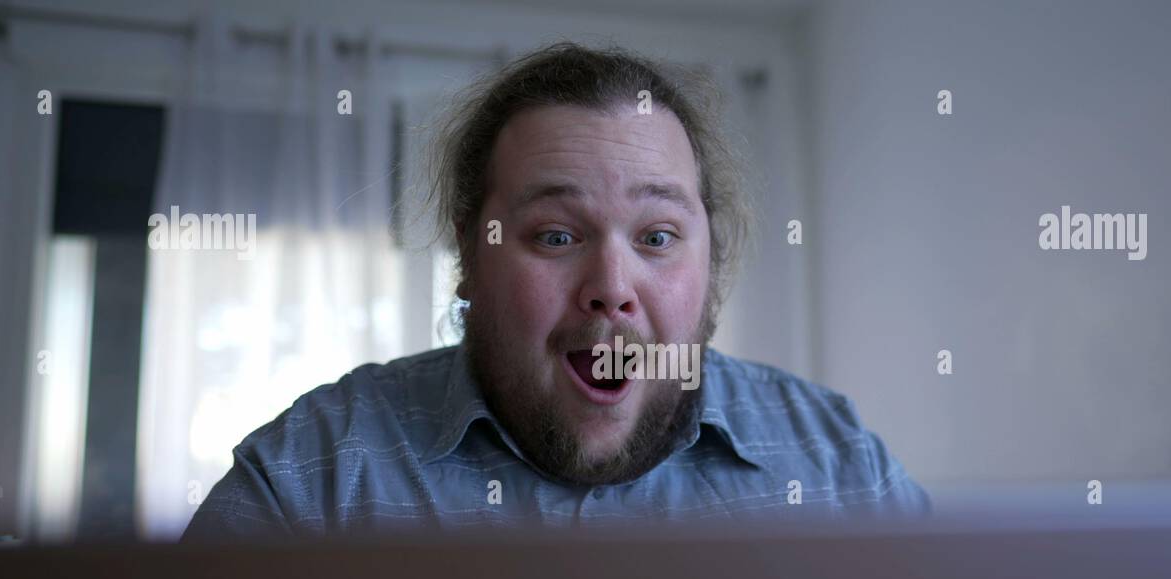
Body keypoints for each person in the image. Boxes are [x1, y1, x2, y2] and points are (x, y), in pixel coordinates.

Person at [182, 42, 928, 541]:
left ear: (715, 256)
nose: (611, 290)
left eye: (657, 237)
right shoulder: (307, 486)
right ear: (472, 253)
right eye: (557, 236)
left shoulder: (842, 469)